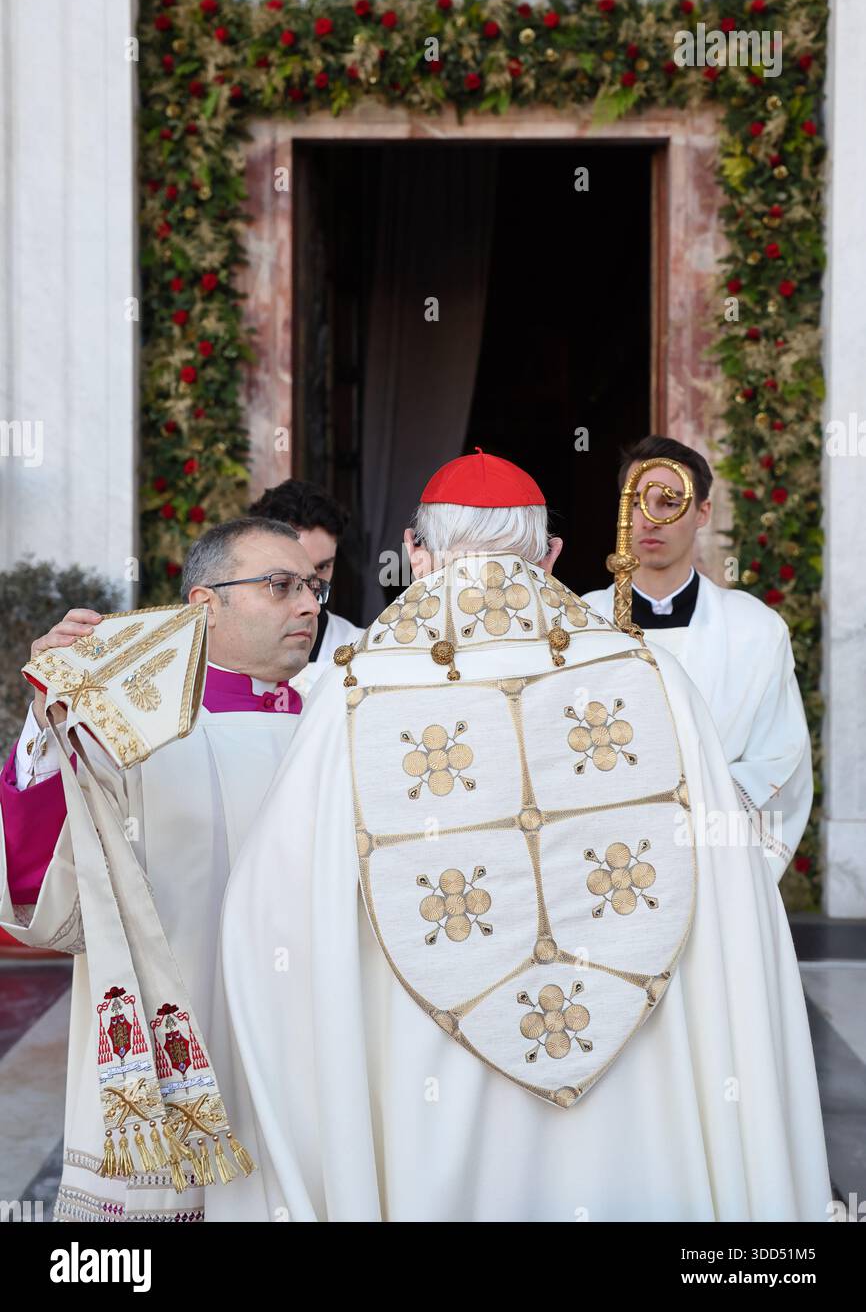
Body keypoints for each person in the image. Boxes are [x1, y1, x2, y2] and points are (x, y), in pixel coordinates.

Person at [213, 448, 831, 1222]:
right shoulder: (652, 678)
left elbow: (271, 916)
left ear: (415, 553)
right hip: (637, 1108)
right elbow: (732, 903)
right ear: (550, 555)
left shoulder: (354, 686)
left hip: (425, 1086)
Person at [0, 516, 322, 1222]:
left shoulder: (338, 726)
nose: (309, 606)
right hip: (174, 1052)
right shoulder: (127, 730)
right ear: (206, 605)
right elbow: (41, 887)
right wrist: (48, 720)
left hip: (305, 1062)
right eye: (281, 586)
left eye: (314, 588)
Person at [581, 435, 813, 880]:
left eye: (669, 503)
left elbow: (780, 758)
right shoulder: (580, 624)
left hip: (718, 865)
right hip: (603, 866)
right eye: (637, 502)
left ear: (702, 512)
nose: (651, 520)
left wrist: (694, 814)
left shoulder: (755, 631)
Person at [249, 479, 364, 698]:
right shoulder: (228, 650)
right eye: (293, 570)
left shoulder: (361, 650)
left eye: (322, 567)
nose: (311, 587)